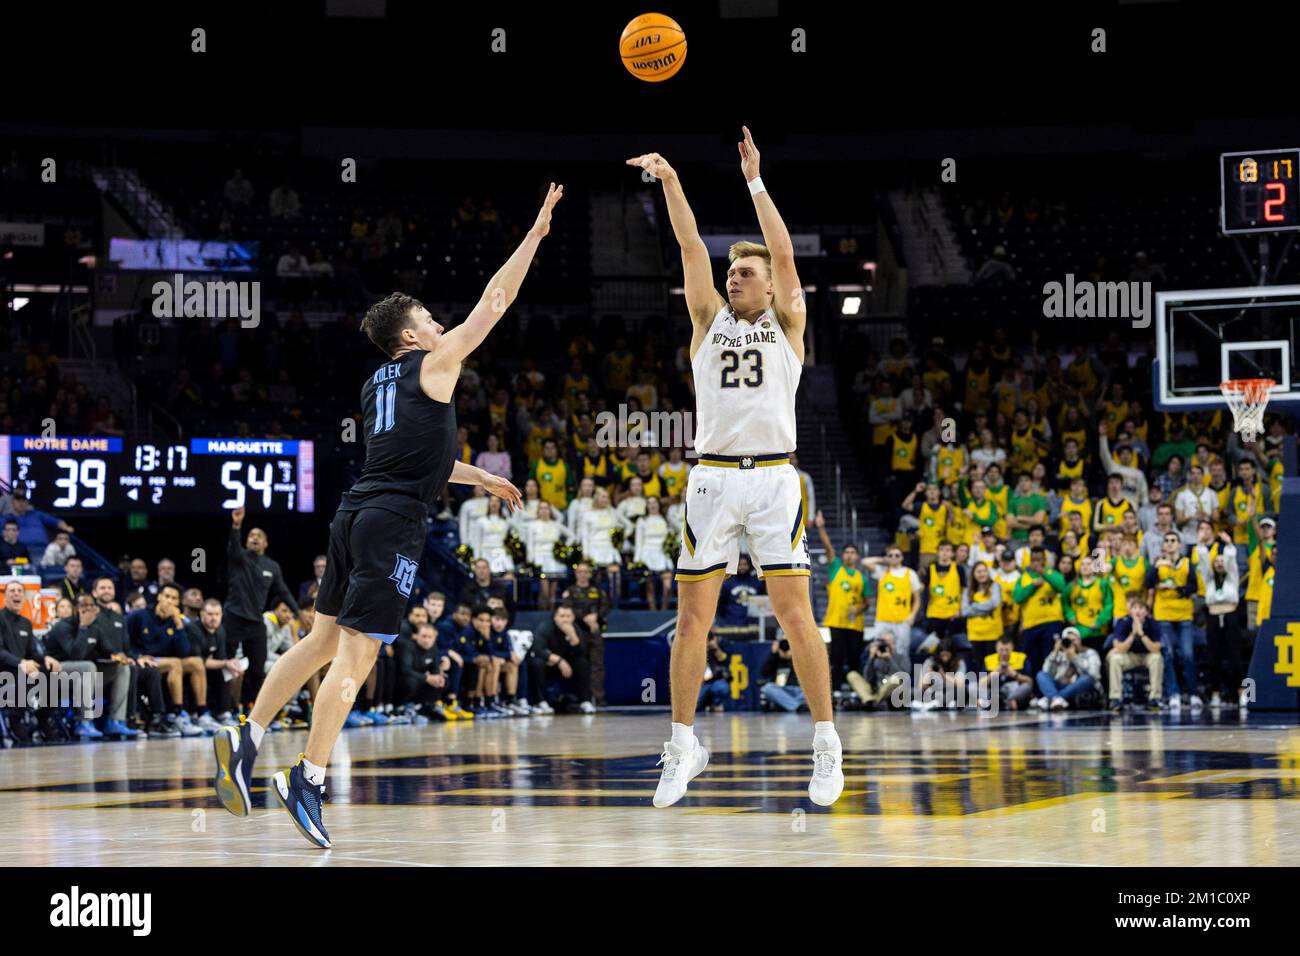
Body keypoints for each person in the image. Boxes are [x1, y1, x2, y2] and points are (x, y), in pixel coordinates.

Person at [211, 183, 557, 848]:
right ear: (410, 336)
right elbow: (495, 301)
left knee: (319, 642)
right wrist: (536, 232)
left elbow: (413, 458)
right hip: (392, 523)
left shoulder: (377, 384)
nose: (440, 324)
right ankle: (307, 779)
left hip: (354, 513)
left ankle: (246, 737)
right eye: (429, 318)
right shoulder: (437, 361)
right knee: (359, 653)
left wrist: (479, 475)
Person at [630, 132, 842, 808]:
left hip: (775, 479)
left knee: (795, 615)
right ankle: (682, 745)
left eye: (746, 272)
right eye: (733, 272)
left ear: (772, 285)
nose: (734, 277)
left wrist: (754, 180)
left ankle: (826, 742)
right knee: (691, 619)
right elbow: (690, 245)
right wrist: (670, 180)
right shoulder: (706, 319)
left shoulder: (788, 323)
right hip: (713, 479)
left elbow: (782, 251)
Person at [222, 512, 300, 710]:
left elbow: (283, 591)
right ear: (246, 541)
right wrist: (236, 526)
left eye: (259, 536)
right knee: (228, 666)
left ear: (266, 543)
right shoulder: (239, 557)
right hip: (233, 617)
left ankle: (255, 711)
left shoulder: (272, 566)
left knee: (258, 669)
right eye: (251, 536)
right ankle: (224, 709)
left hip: (255, 622)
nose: (254, 538)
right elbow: (233, 546)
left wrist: (298, 614)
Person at [813, 510, 868, 690]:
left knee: (854, 661)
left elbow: (867, 603)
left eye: (853, 552)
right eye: (847, 552)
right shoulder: (836, 568)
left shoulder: (862, 577)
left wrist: (858, 609)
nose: (849, 555)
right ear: (842, 555)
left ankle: (857, 691)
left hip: (855, 624)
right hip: (836, 622)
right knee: (836, 660)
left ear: (857, 556)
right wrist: (821, 528)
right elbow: (829, 548)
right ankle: (835, 691)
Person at [1196, 530, 1244, 709]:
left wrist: (1229, 544)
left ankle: (1241, 692)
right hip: (1214, 618)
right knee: (1213, 658)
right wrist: (1201, 545)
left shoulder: (1232, 579)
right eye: (1216, 561)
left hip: (1230, 616)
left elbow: (1232, 562)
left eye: (1222, 561)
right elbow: (1203, 564)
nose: (1219, 564)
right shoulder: (1209, 580)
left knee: (1235, 657)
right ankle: (1215, 693)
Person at [1105, 598, 1164, 712]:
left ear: (1146, 611)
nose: (1138, 611)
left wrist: (1141, 634)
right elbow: (1120, 648)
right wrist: (1132, 634)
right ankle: (1115, 698)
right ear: (1130, 611)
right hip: (1130, 655)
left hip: (1147, 656)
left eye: (1141, 608)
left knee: (1157, 658)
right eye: (1135, 608)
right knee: (1115, 659)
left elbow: (1156, 649)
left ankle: (1154, 698)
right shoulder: (1123, 621)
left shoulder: (1152, 622)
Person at [1034, 626, 1101, 711]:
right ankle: (1056, 698)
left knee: (1087, 679)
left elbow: (1094, 675)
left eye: (1074, 640)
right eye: (1068, 641)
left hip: (1081, 687)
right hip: (1062, 685)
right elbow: (1046, 672)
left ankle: (1051, 698)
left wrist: (1074, 657)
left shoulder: (1090, 653)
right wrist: (1055, 652)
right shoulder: (1060, 654)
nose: (1072, 644)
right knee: (1041, 674)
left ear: (1080, 640)